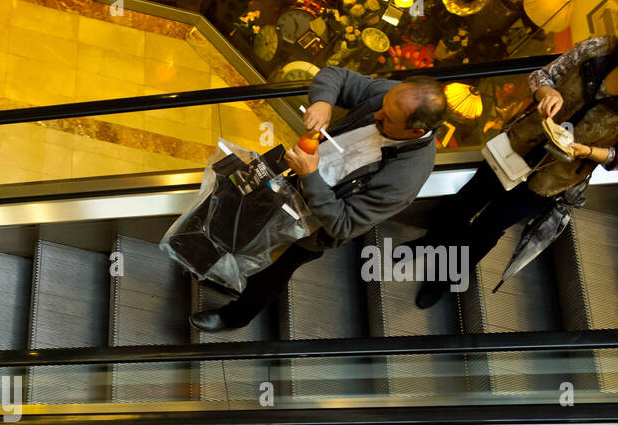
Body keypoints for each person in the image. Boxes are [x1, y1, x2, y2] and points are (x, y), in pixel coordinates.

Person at [189, 68, 447, 332]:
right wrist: (323, 102)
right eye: (382, 105)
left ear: (416, 132)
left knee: (272, 272)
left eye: (388, 118)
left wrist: (310, 175)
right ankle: (224, 275)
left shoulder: (404, 178)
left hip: (310, 229)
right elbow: (338, 76)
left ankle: (235, 317)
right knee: (244, 228)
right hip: (290, 185)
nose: (377, 113)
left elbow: (343, 225)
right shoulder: (394, 98)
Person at [414, 36, 618, 309]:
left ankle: (445, 277)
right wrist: (547, 92)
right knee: (469, 198)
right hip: (523, 140)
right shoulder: (597, 49)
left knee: (490, 226)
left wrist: (591, 152)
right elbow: (542, 76)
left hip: (555, 173)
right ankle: (432, 241)